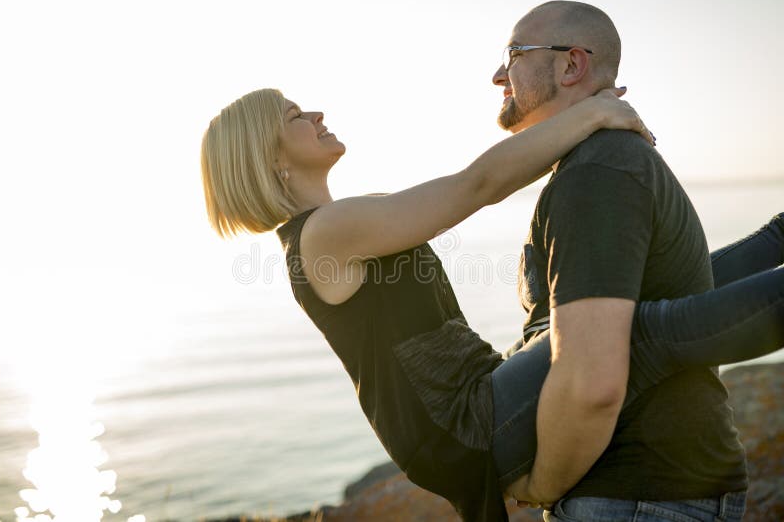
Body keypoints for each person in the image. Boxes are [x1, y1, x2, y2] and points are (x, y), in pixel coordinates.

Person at [199, 86, 783, 521]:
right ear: (269, 157)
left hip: (481, 387)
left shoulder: (345, 220)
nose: (317, 113)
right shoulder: (323, 234)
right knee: (622, 333)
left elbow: (470, 186)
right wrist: (594, 113)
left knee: (621, 299)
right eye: (295, 115)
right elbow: (473, 186)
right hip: (463, 420)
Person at [489, 0, 779, 522]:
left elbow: (593, 384)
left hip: (636, 499)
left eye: (512, 54)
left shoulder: (598, 169)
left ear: (571, 65)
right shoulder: (596, 164)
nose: (496, 75)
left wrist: (543, 484)